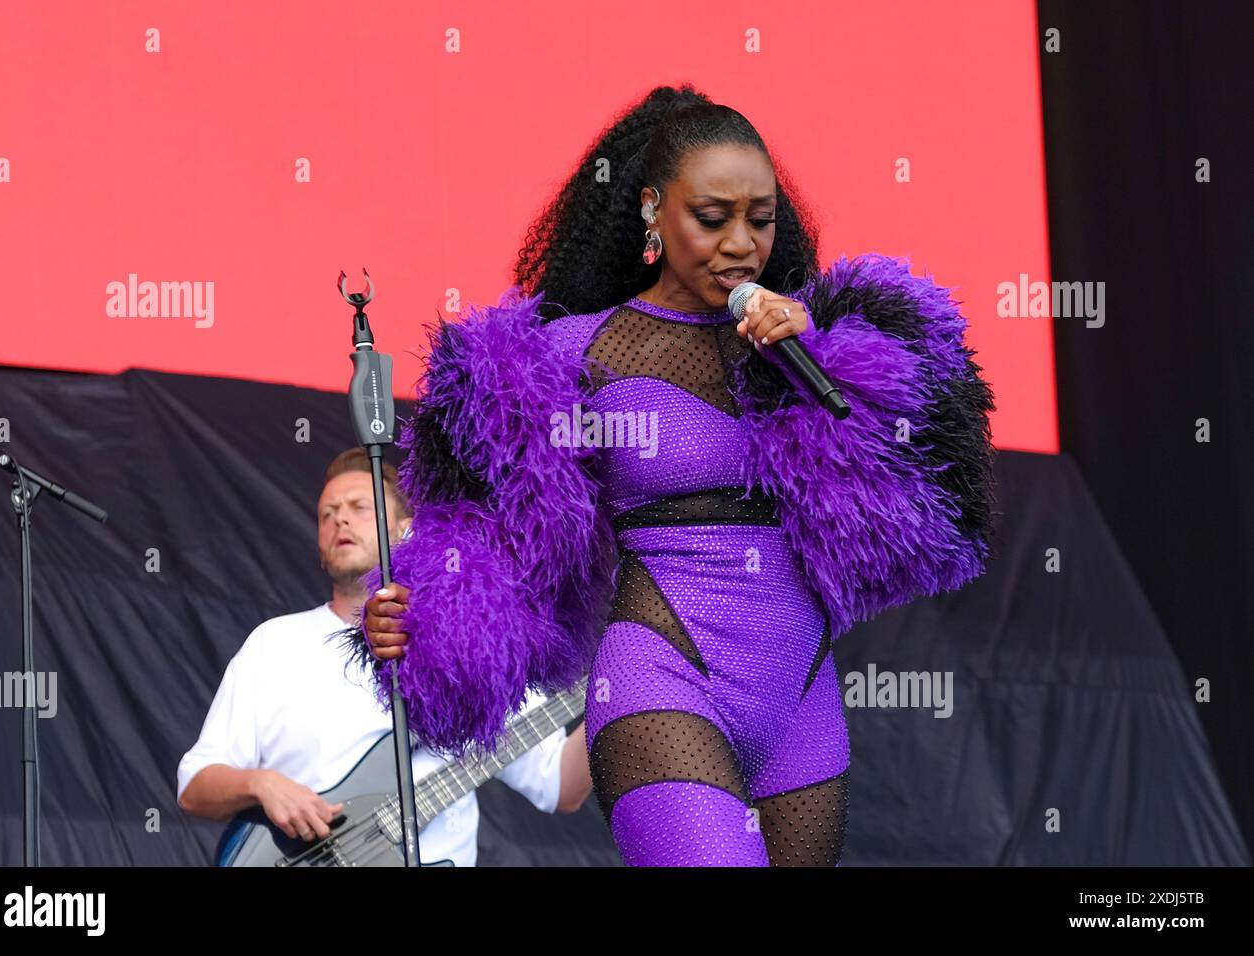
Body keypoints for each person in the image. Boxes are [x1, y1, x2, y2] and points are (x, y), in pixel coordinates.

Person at [356, 85, 995, 866]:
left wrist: (830, 356)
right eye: (713, 217)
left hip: (802, 701)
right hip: (660, 682)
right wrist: (420, 620)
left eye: (760, 220)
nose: (741, 244)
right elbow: (492, 538)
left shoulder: (808, 343)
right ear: (655, 213)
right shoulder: (571, 354)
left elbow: (932, 505)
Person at [177, 448, 593, 867]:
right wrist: (260, 783)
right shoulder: (274, 644)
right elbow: (196, 787)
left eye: (360, 507)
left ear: (406, 531)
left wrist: (621, 698)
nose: (339, 519)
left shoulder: (465, 645)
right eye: (327, 514)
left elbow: (559, 785)